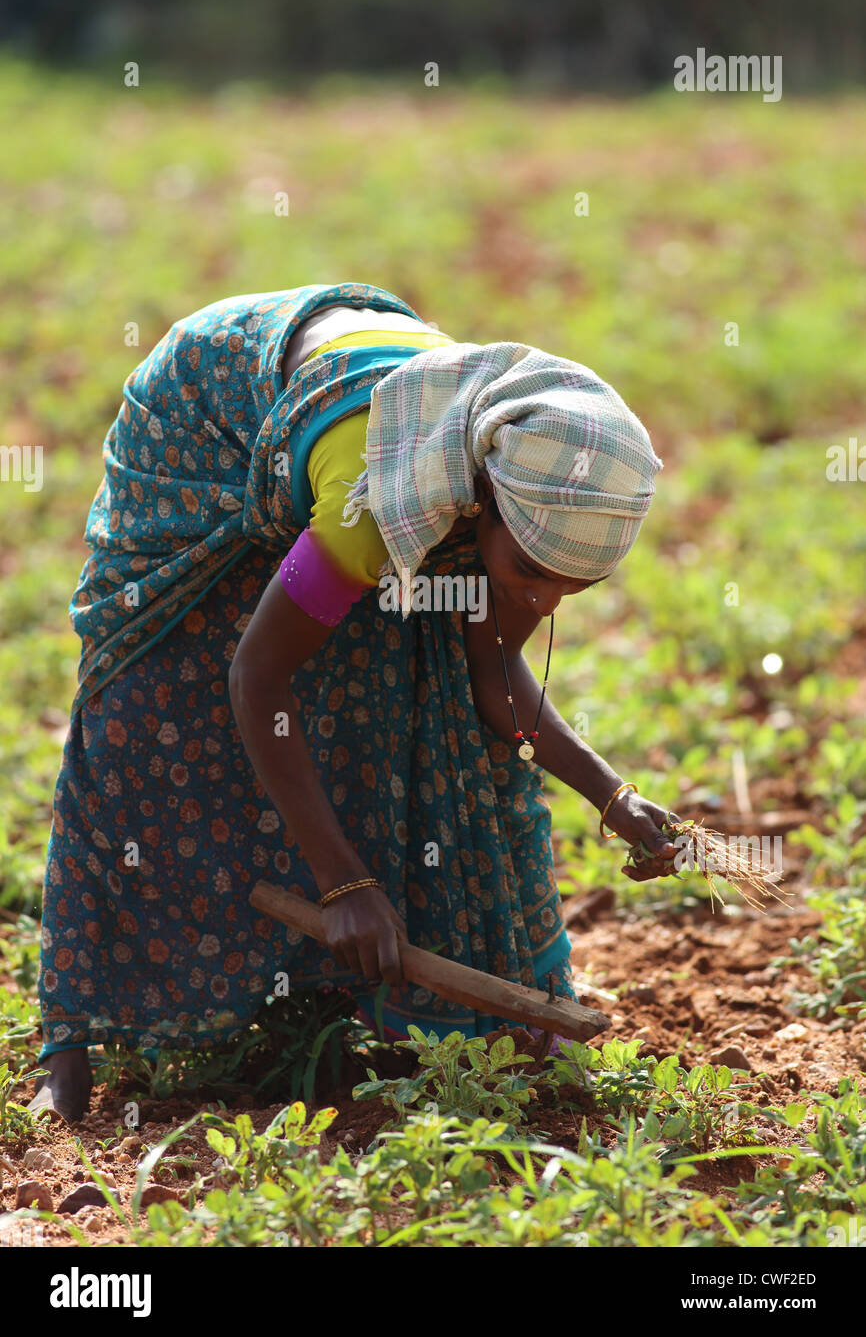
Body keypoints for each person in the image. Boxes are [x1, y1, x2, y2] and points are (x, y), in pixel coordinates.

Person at [31, 281, 676, 1123]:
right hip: (210, 412)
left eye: (578, 585)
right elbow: (256, 679)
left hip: (359, 406)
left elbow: (490, 677)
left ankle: (340, 1010)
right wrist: (343, 884)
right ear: (484, 500)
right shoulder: (368, 507)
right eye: (532, 574)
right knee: (144, 706)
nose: (549, 600)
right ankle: (70, 1047)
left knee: (412, 682)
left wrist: (613, 795)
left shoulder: (520, 508)